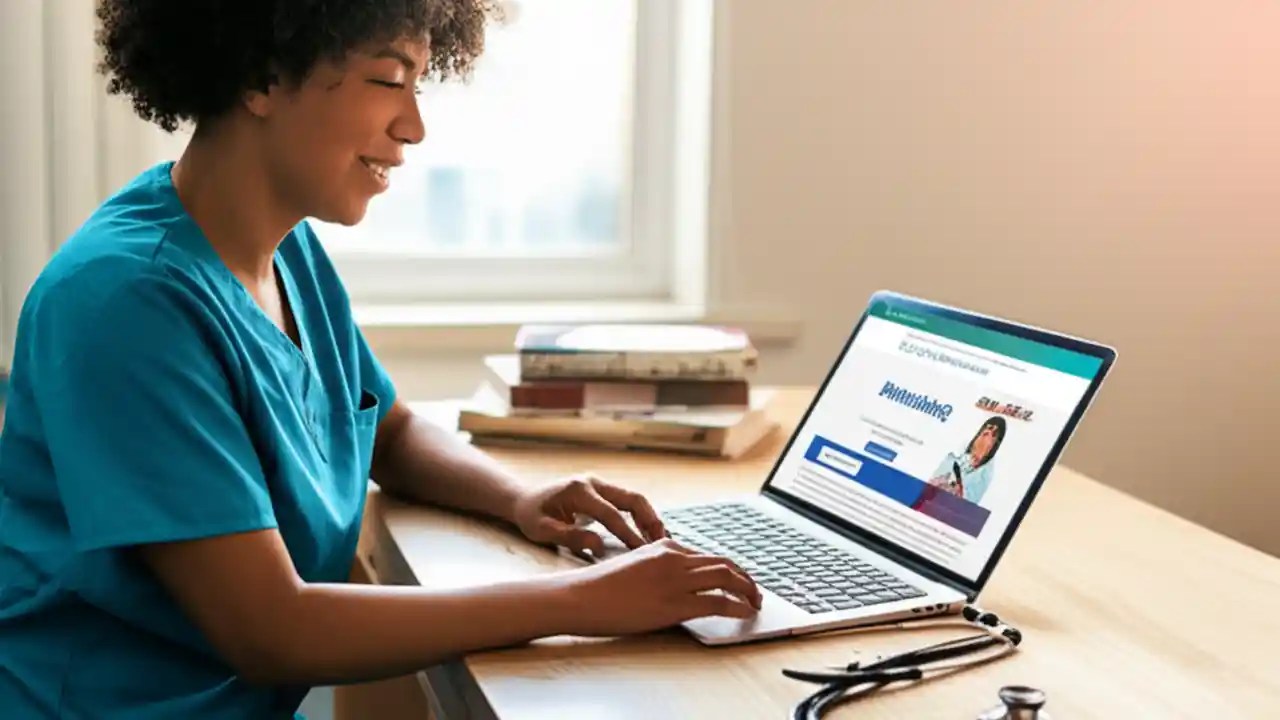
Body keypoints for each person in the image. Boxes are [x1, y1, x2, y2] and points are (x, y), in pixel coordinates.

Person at [0, 2, 760, 718]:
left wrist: (520, 498)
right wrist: (584, 603)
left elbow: (386, 432)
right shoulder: (125, 303)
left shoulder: (284, 249)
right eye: (388, 81)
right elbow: (271, 631)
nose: (416, 126)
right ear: (263, 75)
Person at [926, 416, 1007, 504]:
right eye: (987, 429)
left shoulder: (984, 475)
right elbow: (933, 481)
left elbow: (968, 502)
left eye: (994, 434)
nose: (987, 434)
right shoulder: (955, 456)